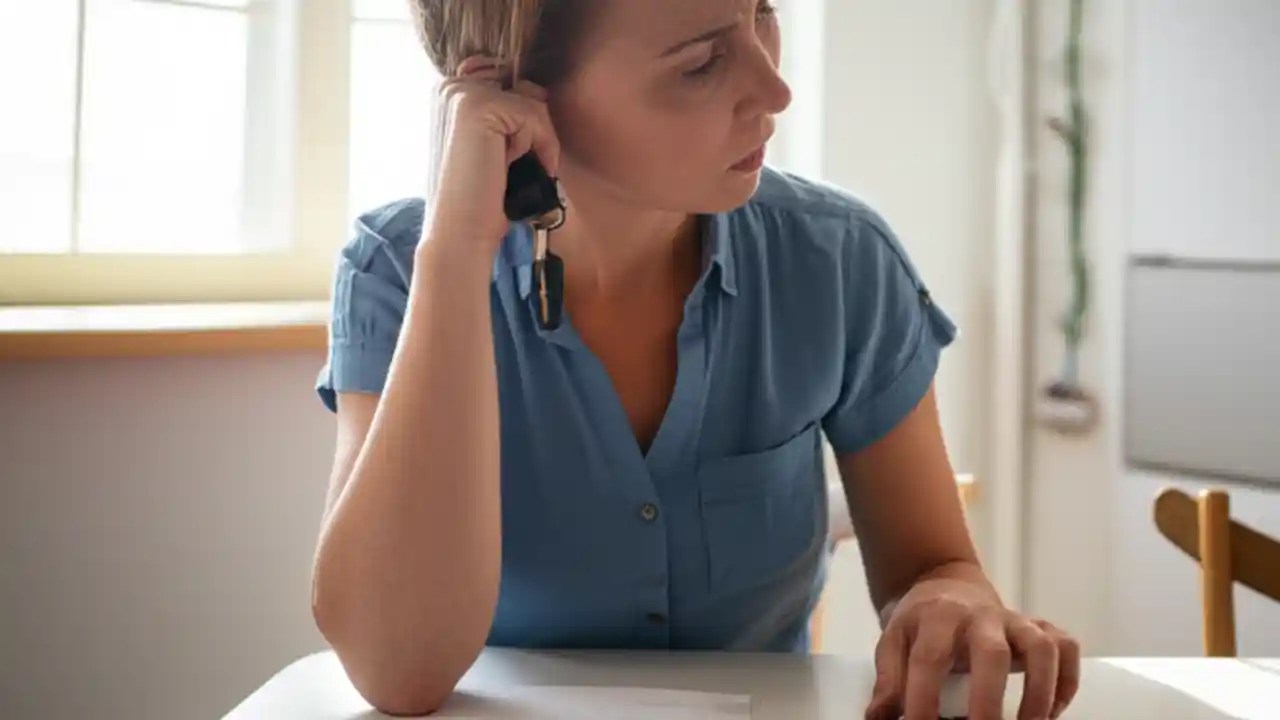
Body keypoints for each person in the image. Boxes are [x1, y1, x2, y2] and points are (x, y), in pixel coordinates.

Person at [309, 1, 1080, 718]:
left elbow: (933, 565)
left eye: (761, 13)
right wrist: (455, 251)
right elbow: (396, 669)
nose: (776, 90)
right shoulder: (398, 269)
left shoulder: (839, 259)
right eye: (701, 62)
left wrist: (949, 600)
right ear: (514, 95)